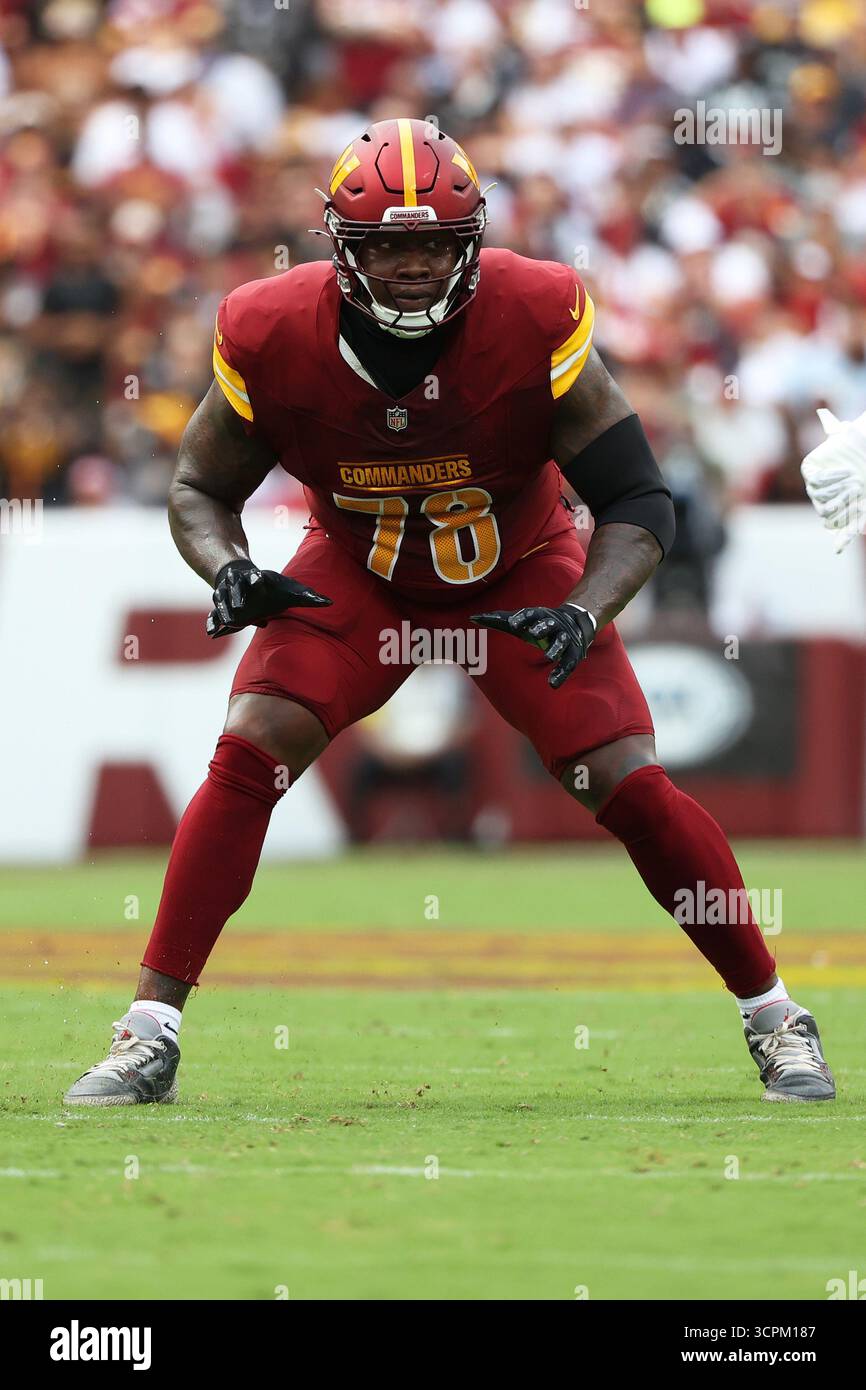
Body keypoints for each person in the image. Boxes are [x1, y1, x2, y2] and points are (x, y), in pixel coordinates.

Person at [64, 119, 834, 1107]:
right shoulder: (267, 327)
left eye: (434, 243)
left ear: (473, 240)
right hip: (360, 567)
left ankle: (774, 1015)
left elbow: (639, 500)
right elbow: (197, 488)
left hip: (519, 568)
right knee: (253, 742)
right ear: (343, 248)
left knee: (623, 780)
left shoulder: (533, 309)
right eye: (389, 245)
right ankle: (148, 1031)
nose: (416, 266)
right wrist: (226, 566)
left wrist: (585, 607)